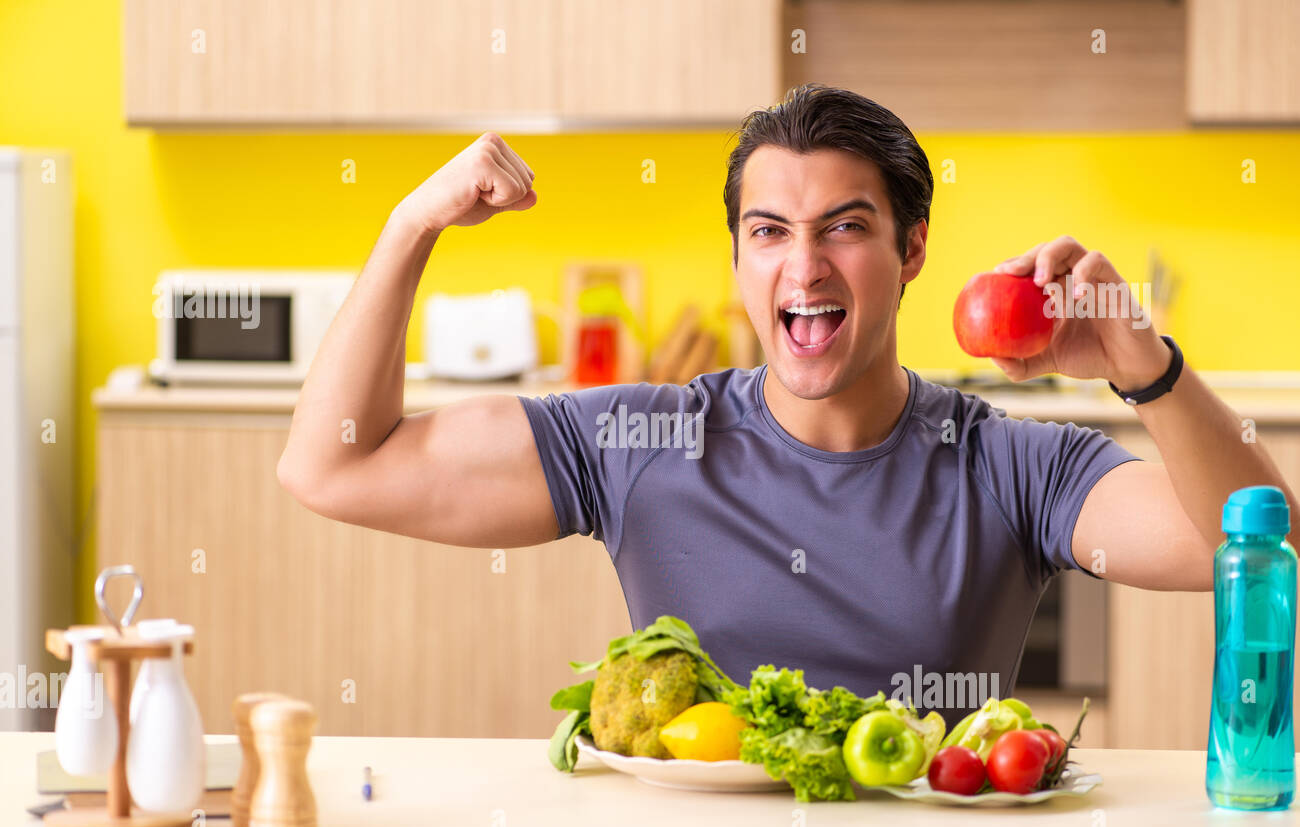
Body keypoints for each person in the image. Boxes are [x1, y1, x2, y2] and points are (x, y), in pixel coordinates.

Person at [277, 84, 1299, 729]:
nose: (803, 265)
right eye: (767, 232)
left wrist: (1143, 364)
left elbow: (1260, 543)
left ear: (910, 250)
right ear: (737, 260)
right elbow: (335, 465)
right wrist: (413, 222)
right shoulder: (640, 443)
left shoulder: (1010, 466)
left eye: (844, 227)